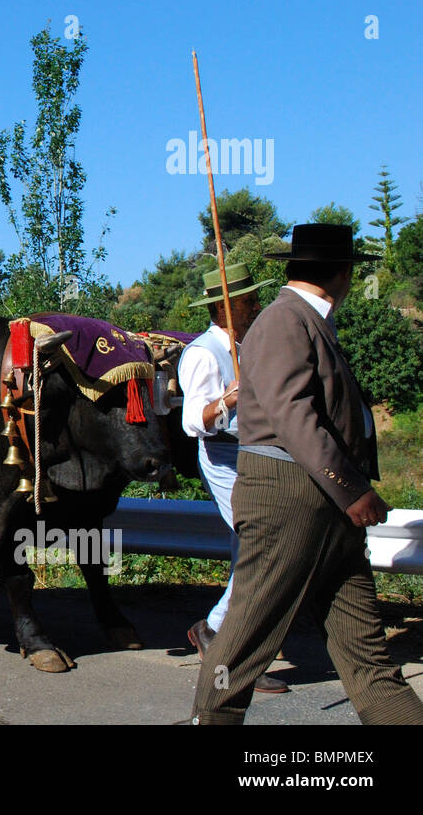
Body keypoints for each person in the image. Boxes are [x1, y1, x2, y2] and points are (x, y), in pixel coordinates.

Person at [191, 224, 423, 724]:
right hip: (289, 495)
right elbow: (290, 412)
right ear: (341, 273)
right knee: (242, 644)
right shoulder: (283, 320)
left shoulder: (307, 320)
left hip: (325, 504)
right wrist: (350, 487)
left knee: (368, 657)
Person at [178, 265, 288, 694]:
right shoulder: (205, 353)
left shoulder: (247, 345)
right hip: (225, 457)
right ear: (225, 307)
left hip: (258, 452)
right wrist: (233, 394)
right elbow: (194, 422)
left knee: (255, 546)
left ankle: (225, 636)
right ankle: (224, 638)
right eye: (247, 300)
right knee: (262, 546)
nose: (257, 305)